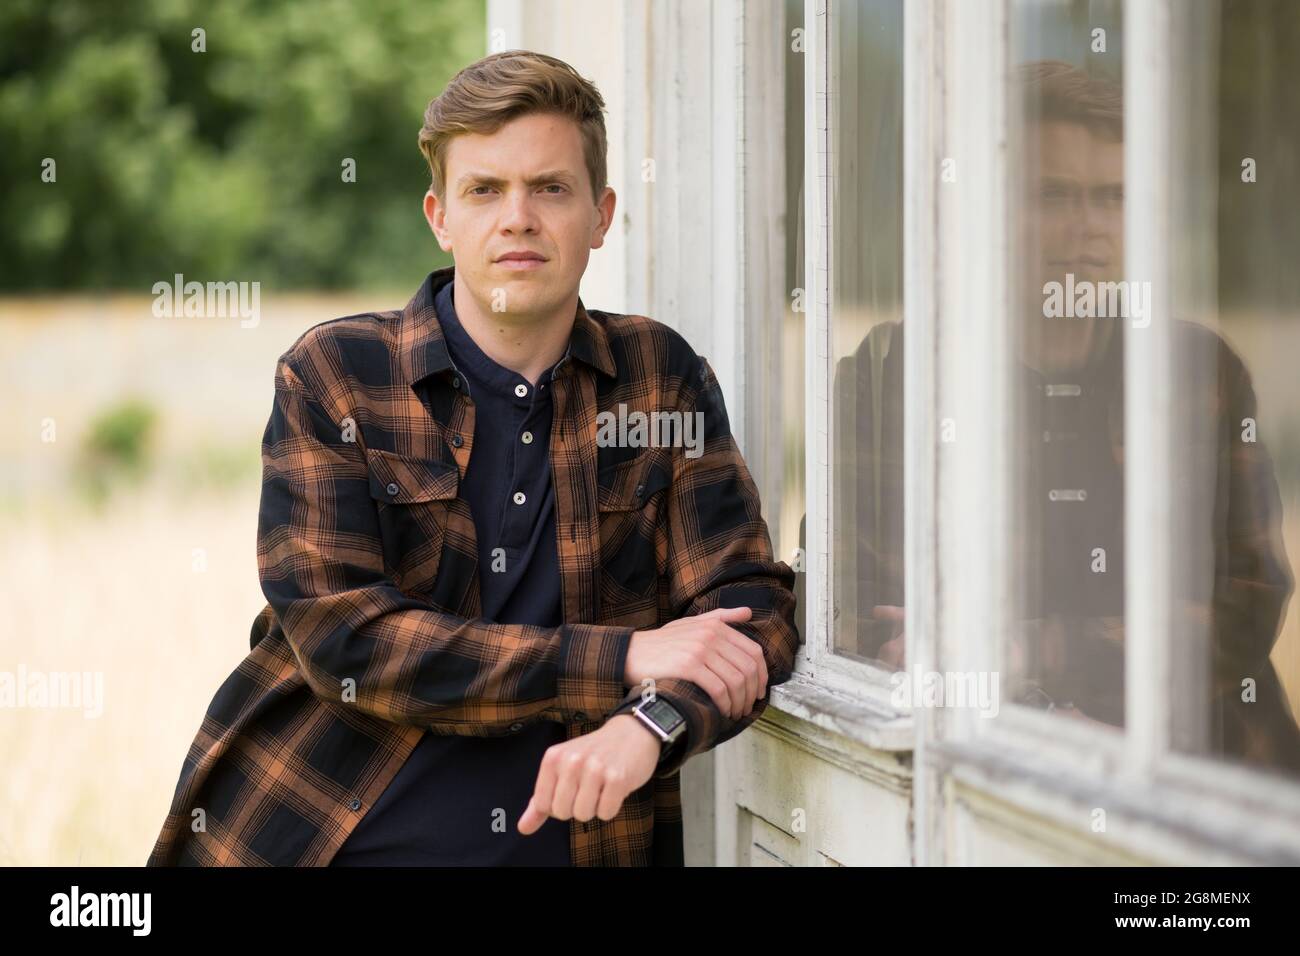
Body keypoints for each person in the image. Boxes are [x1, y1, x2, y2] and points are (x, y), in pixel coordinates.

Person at [147, 50, 799, 867]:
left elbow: (750, 612)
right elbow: (345, 638)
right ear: (440, 216)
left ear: (601, 216)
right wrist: (620, 657)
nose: (517, 217)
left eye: (550, 188)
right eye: (485, 190)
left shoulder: (657, 381)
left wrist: (649, 724)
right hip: (322, 837)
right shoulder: (338, 374)